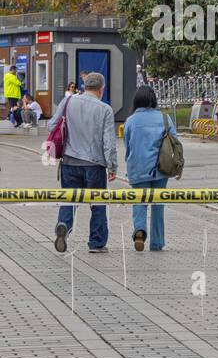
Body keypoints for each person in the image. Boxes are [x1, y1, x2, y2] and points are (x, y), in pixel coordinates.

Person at [49, 71, 117, 253]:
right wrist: (112, 166)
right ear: (102, 89)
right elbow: (109, 142)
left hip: (69, 161)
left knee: (69, 199)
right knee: (98, 203)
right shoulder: (105, 109)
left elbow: (51, 125)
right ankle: (97, 243)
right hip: (94, 165)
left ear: (84, 86)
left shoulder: (68, 101)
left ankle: (63, 225)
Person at [122, 85, 177, 252]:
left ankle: (139, 230)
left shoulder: (130, 121)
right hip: (161, 169)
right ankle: (157, 242)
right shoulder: (165, 118)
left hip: (138, 169)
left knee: (139, 202)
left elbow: (127, 146)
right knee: (158, 204)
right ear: (153, 99)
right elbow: (174, 141)